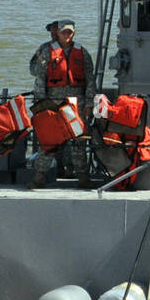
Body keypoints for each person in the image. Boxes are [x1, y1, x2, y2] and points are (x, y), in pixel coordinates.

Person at [29, 19, 96, 190]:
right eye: (63, 32)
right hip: (53, 102)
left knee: (78, 141)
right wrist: (41, 105)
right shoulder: (46, 52)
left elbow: (90, 80)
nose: (67, 35)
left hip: (76, 103)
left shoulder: (82, 53)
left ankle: (82, 177)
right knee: (50, 141)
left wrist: (89, 103)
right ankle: (39, 178)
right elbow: (40, 78)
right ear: (57, 33)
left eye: (70, 32)